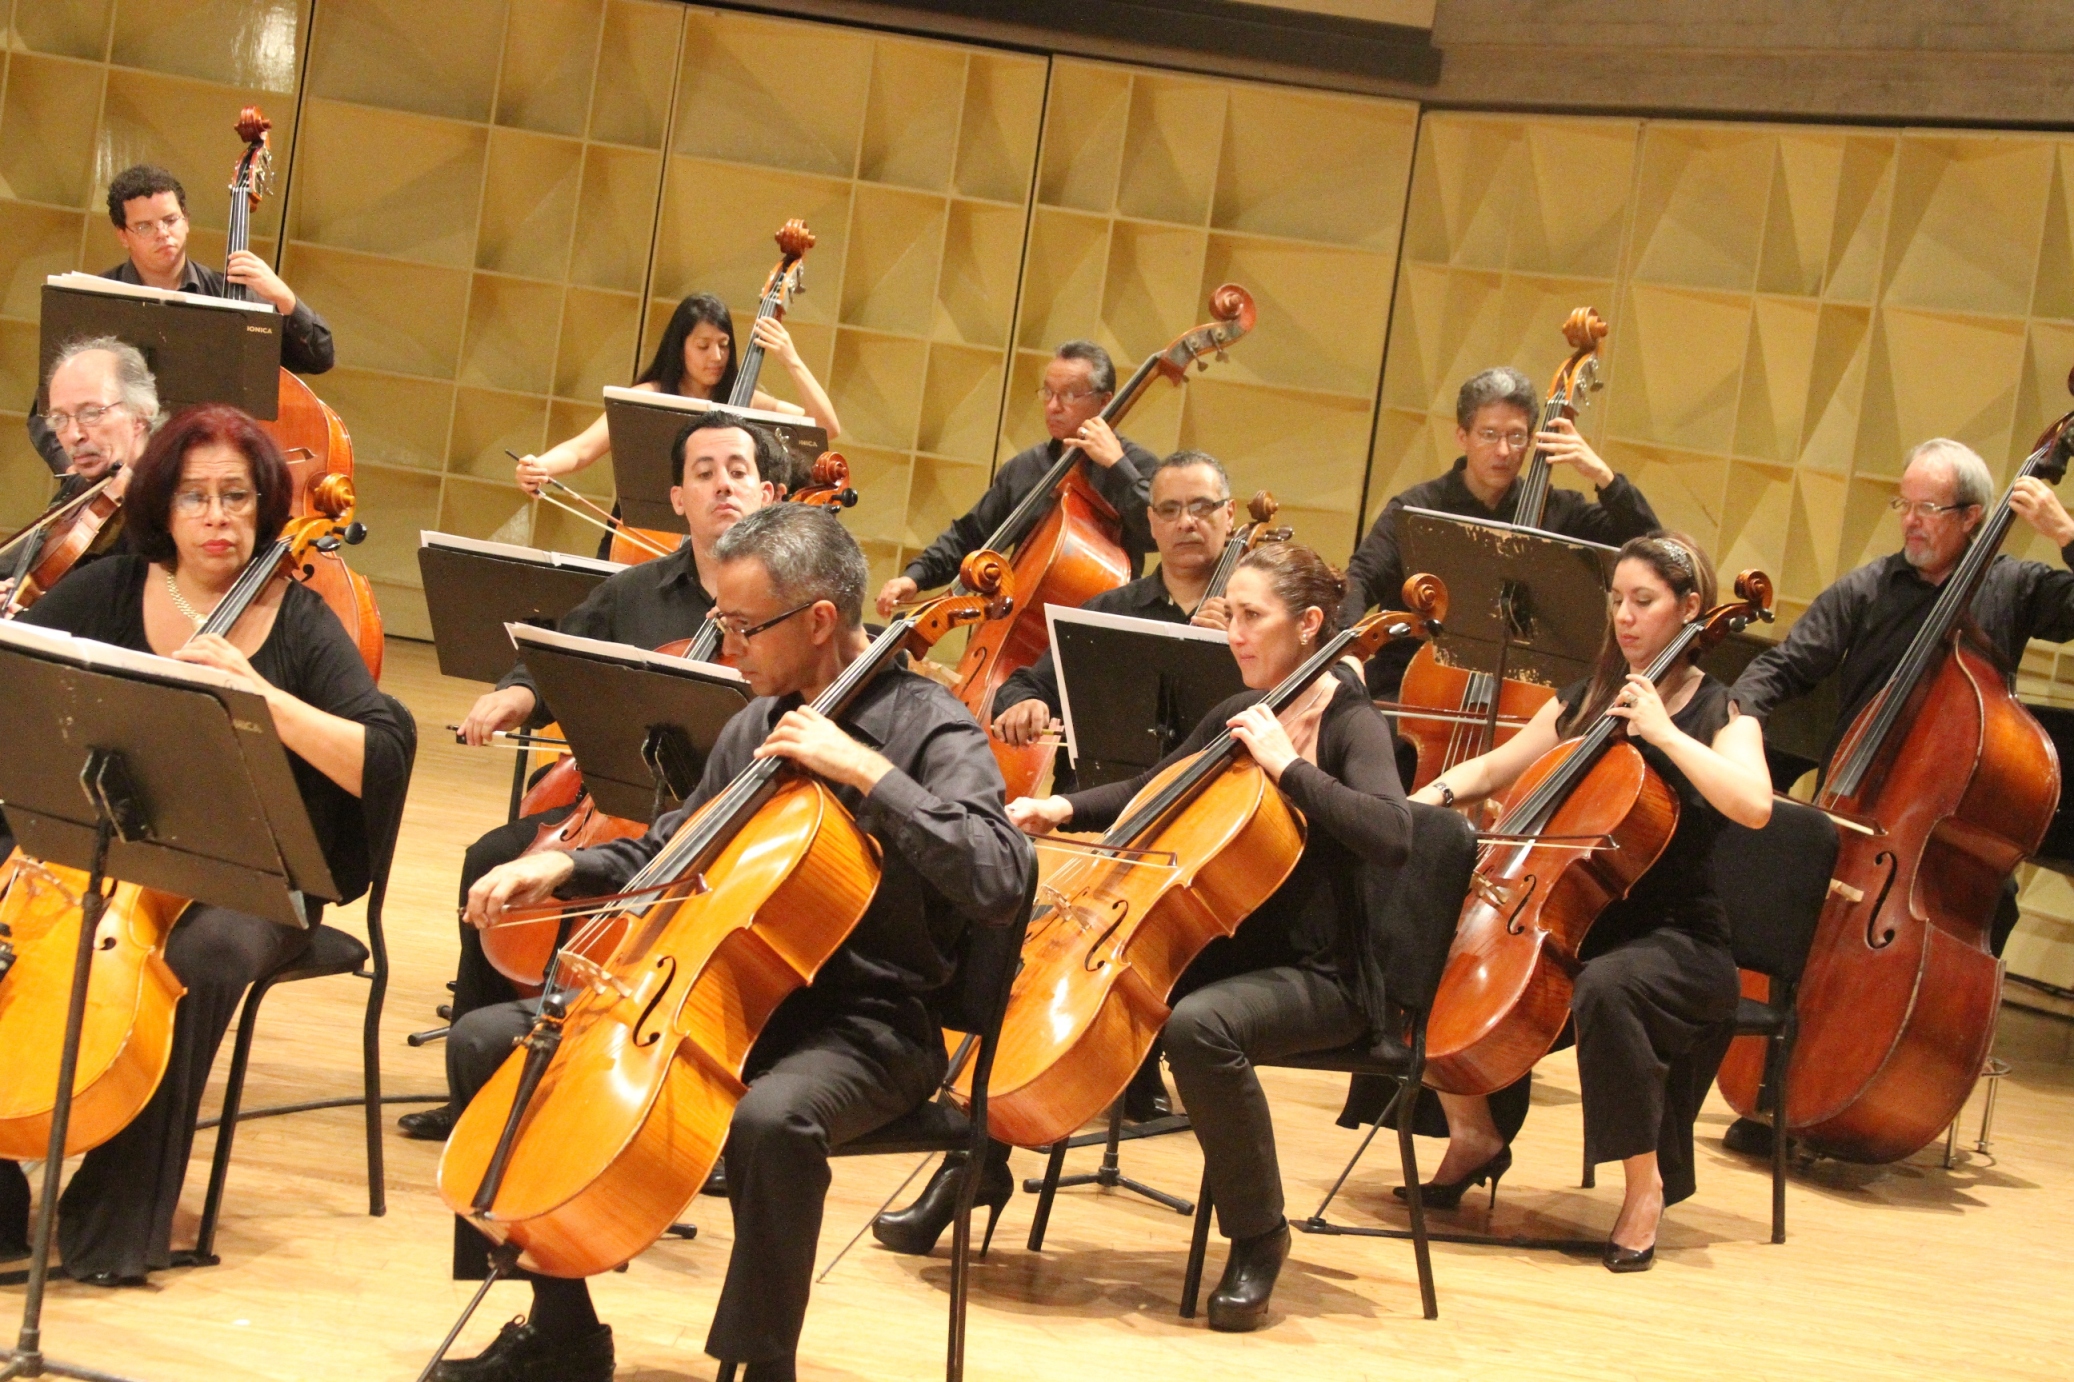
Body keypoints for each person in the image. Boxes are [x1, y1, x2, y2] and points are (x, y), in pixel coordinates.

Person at [436, 504, 1030, 1382]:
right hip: (727, 997)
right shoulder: (758, 724)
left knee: (772, 1120)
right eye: (723, 621)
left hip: (870, 1025)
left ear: (821, 620)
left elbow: (1000, 873)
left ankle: (762, 1366)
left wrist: (869, 773)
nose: (728, 644)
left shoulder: (929, 727)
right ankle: (562, 1326)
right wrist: (565, 870)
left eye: (745, 626)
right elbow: (676, 846)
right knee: (488, 1043)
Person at [888, 544, 1416, 1333]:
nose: (1232, 631)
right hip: (1218, 948)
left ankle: (1258, 1236)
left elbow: (1395, 833)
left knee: (1201, 1027)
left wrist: (1287, 766)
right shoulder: (1248, 704)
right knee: (1022, 952)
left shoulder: (1348, 720)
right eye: (1229, 613)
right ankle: (974, 1164)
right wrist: (1063, 812)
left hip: (1322, 974)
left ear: (1311, 625)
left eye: (1250, 616)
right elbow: (1159, 783)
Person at [0, 404, 411, 1284]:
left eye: (236, 497)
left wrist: (259, 698)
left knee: (205, 954)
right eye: (195, 497)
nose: (217, 518)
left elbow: (381, 753)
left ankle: (117, 1222)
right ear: (164, 506)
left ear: (266, 509)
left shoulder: (297, 622)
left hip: (253, 879)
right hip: (101, 859)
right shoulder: (113, 588)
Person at [394, 413, 779, 1143]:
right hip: (620, 812)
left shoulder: (782, 606)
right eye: (703, 472)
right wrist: (517, 692)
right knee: (490, 859)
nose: (721, 484)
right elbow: (556, 656)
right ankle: (473, 1088)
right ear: (676, 497)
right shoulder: (634, 592)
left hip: (732, 828)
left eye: (736, 470)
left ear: (765, 490)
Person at [1406, 533, 1772, 1272]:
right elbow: (1498, 767)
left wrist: (1665, 735)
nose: (1626, 619)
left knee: (1606, 988)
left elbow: (1756, 805)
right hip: (1567, 921)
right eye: (1618, 602)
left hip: (1676, 943)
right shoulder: (1589, 699)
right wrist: (1425, 801)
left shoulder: (1722, 711)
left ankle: (1644, 1189)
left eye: (1644, 601)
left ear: (1691, 608)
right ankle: (1472, 1130)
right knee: (1415, 944)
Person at [1722, 436, 2074, 1153]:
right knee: (1793, 903)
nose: (1911, 522)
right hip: (1854, 816)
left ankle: (1896, 1086)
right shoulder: (1869, 588)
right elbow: (1783, 668)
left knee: (1986, 912)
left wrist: (2067, 534)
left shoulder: (2014, 587)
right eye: (1903, 506)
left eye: (1929, 509)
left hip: (1931, 844)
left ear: (1974, 516)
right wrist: (1741, 724)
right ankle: (1778, 1086)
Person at [1341, 366, 1660, 696]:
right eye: (1489, 434)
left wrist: (1604, 477)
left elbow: (1654, 551)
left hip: (1517, 701)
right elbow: (1359, 580)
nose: (1504, 451)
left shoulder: (1561, 512)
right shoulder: (1415, 512)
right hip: (1406, 692)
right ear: (1462, 436)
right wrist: (1346, 655)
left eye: (1516, 436)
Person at [28, 166, 333, 471]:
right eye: (145, 226)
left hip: (212, 468)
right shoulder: (91, 304)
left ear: (186, 221)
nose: (163, 233)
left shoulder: (229, 297)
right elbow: (44, 414)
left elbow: (319, 356)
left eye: (170, 220)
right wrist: (73, 470)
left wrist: (285, 299)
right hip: (119, 474)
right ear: (123, 235)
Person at [875, 340, 1155, 616]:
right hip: (1021, 621)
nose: (1053, 406)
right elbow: (971, 535)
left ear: (1105, 401)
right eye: (1048, 392)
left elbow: (1158, 533)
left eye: (1069, 395)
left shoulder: (1136, 466)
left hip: (1098, 628)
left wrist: (1117, 466)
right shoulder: (1025, 468)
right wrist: (915, 577)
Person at [512, 292, 838, 507]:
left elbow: (826, 428)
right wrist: (541, 466)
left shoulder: (744, 402)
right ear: (679, 347)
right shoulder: (650, 397)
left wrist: (791, 359)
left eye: (724, 345)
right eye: (703, 345)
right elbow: (581, 449)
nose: (716, 356)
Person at [2, 338, 159, 606]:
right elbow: (15, 563)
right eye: (60, 419)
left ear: (140, 415)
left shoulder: (164, 505)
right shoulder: (84, 487)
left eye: (91, 413)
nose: (73, 435)